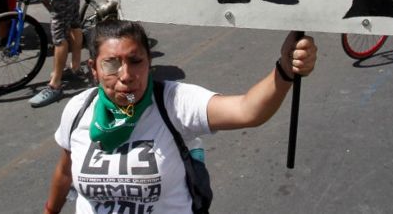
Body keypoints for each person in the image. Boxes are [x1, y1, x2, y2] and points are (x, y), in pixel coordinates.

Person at [43, 20, 317, 213]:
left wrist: (285, 69)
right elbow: (65, 171)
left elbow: (248, 110)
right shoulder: (79, 108)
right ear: (94, 68)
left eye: (135, 61)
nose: (126, 76)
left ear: (149, 63)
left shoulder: (173, 102)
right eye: (111, 64)